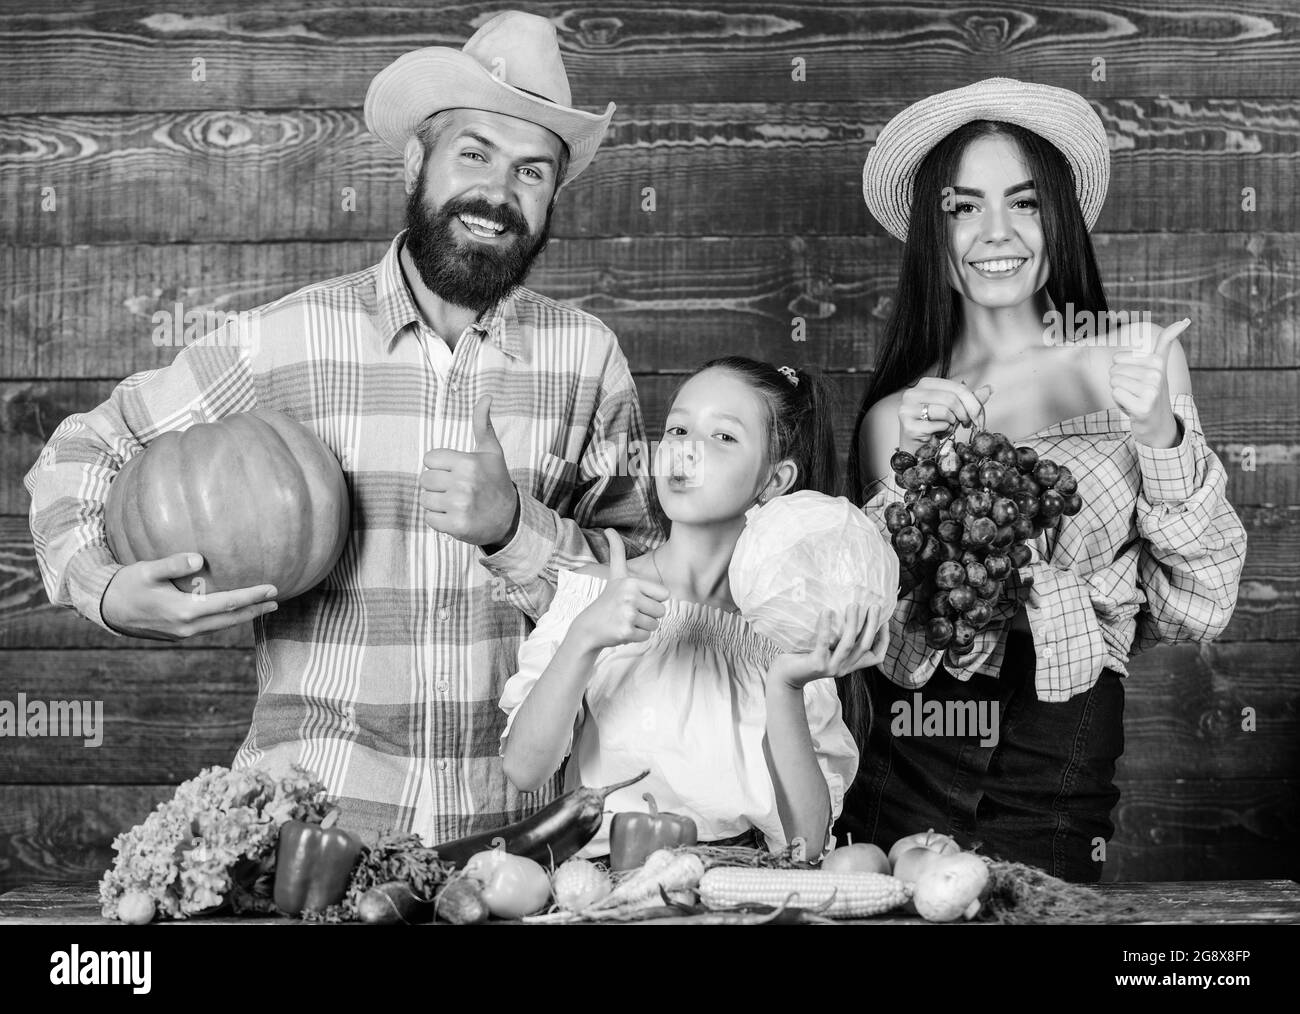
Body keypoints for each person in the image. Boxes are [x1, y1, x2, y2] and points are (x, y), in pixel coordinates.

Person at [23, 11, 660, 844]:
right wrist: (107, 589)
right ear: (414, 161)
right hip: (315, 831)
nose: (499, 194)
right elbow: (82, 449)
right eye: (475, 153)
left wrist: (516, 530)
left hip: (525, 841)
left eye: (532, 171)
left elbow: (649, 587)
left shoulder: (588, 360)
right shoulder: (281, 341)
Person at [840, 78, 1248, 881]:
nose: (996, 232)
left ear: (1056, 217)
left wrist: (1158, 431)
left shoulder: (1135, 359)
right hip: (909, 760)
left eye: (1023, 203)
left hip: (1059, 760)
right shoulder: (900, 414)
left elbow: (1199, 605)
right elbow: (860, 632)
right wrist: (908, 485)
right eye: (963, 207)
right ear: (934, 228)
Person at [498, 356, 889, 859]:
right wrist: (585, 637)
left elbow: (806, 844)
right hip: (603, 891)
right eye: (679, 428)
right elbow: (524, 771)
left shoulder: (790, 637)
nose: (687, 450)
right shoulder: (596, 595)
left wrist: (786, 686)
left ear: (775, 480)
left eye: (723, 436)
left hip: (743, 891)